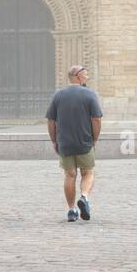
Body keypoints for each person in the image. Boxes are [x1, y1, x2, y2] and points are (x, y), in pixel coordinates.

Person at [46, 64, 102, 222]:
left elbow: (51, 120)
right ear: (78, 76)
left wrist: (54, 140)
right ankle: (84, 197)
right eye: (86, 75)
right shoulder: (90, 94)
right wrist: (95, 138)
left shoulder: (58, 95)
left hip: (65, 142)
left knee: (70, 175)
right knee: (88, 172)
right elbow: (96, 119)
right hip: (84, 141)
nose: (87, 77)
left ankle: (72, 210)